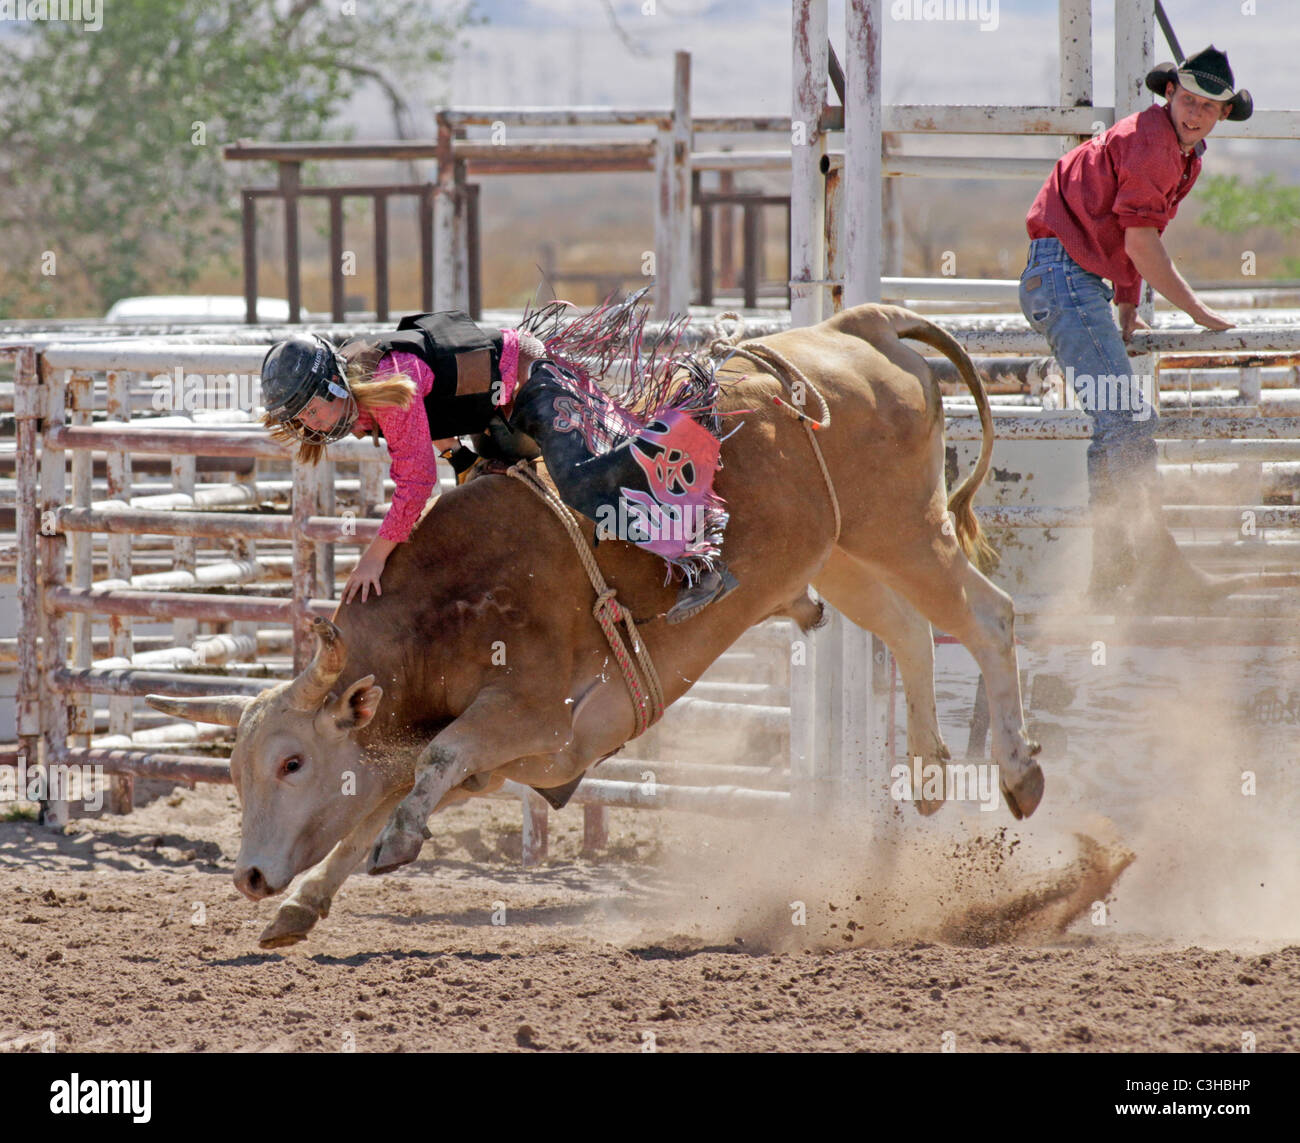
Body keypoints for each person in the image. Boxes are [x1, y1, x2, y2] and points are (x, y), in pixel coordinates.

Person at [258, 303, 737, 623]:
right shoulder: (370, 387)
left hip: (532, 383)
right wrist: (465, 459)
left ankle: (702, 559)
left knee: (577, 482)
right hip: (495, 407)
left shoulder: (389, 383)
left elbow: (416, 481)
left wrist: (374, 555)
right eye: (300, 419)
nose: (310, 426)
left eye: (310, 411)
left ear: (334, 390)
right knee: (491, 503)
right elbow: (437, 417)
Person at [1018, 45, 1252, 611]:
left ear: (1222, 115)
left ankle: (1126, 568)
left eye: (1208, 107)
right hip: (1067, 280)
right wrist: (1196, 310)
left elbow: (1120, 229)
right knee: (1124, 420)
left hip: (1070, 280)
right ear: (1169, 93)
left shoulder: (1171, 148)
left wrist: (1126, 303)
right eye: (1188, 100)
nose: (1195, 114)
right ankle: (1135, 567)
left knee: (1122, 422)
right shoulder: (1155, 147)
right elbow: (1140, 241)